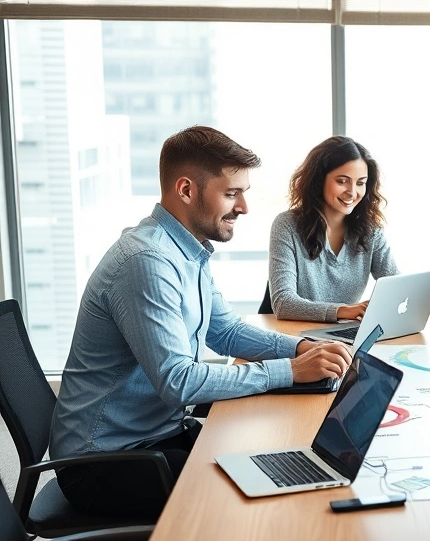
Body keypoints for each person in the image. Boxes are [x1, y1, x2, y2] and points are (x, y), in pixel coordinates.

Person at [49, 126, 353, 518]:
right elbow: (179, 381)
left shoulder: (187, 252)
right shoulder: (147, 261)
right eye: (231, 193)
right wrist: (290, 370)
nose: (243, 207)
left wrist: (301, 348)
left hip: (156, 436)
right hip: (103, 463)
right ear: (187, 190)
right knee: (245, 507)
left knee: (272, 460)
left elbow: (224, 331)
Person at [269, 136, 398, 322]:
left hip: (340, 333)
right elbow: (284, 303)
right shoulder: (287, 225)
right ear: (319, 180)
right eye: (342, 181)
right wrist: (344, 311)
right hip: (294, 334)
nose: (352, 192)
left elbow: (396, 288)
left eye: (360, 183)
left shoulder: (371, 231)